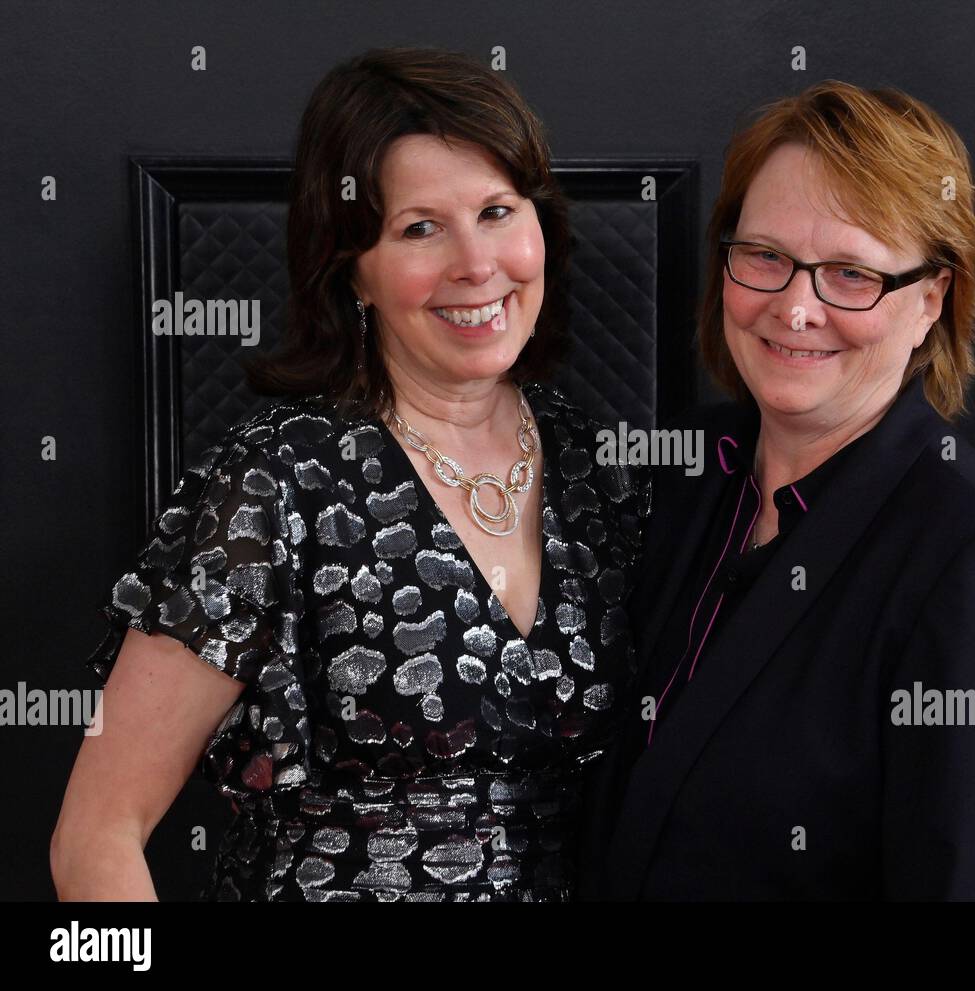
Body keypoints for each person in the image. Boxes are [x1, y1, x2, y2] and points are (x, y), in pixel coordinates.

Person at [50, 47, 649, 902]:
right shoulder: (278, 478)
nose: (477, 264)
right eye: (419, 227)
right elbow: (94, 834)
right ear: (352, 269)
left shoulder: (604, 473)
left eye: (495, 211)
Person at [581, 82, 975, 900]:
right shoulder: (679, 477)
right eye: (766, 256)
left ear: (932, 299)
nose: (795, 307)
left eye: (850, 273)